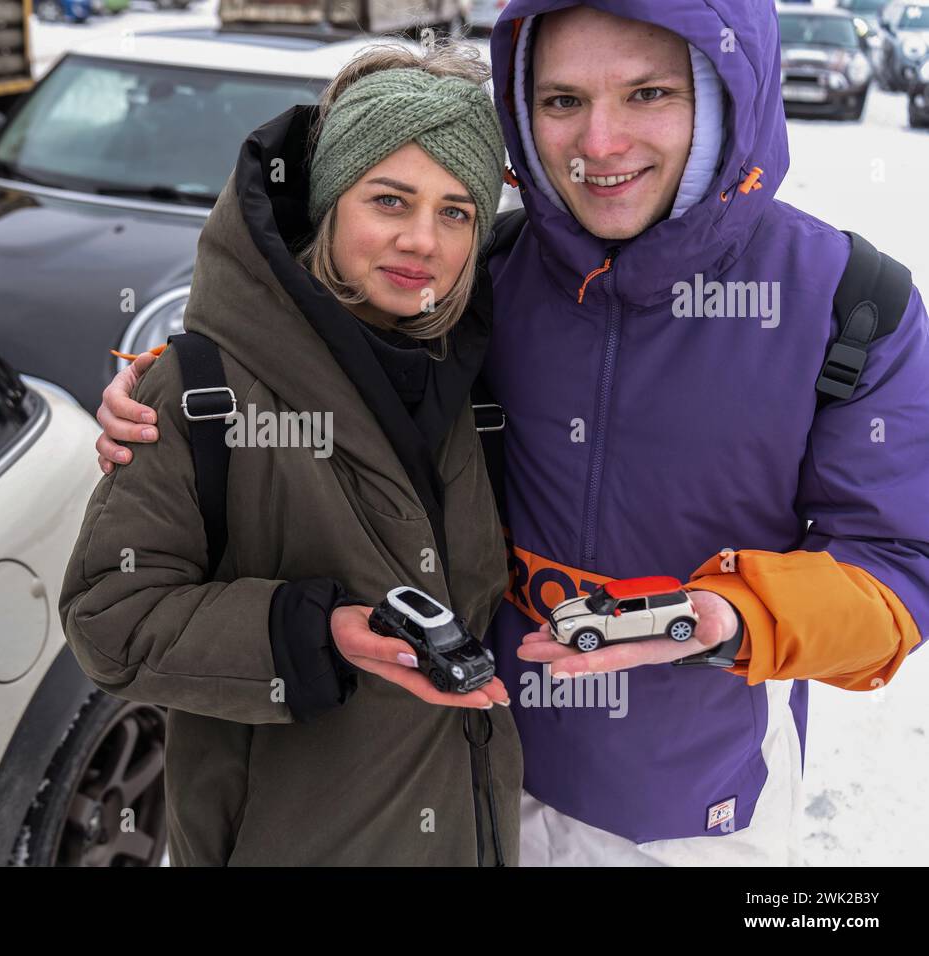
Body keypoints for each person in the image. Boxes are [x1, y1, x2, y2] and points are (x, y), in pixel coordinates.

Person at [94, 1, 929, 866]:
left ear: (728, 96)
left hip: (690, 809)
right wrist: (173, 388)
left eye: (648, 93)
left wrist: (734, 616)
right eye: (563, 100)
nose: (599, 144)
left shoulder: (849, 304)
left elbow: (903, 566)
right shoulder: (488, 267)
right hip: (469, 780)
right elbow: (335, 343)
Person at [59, 41, 524, 866]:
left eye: (456, 211)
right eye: (390, 199)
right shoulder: (202, 388)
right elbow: (111, 619)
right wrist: (310, 637)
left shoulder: (478, 377)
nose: (423, 240)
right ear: (332, 199)